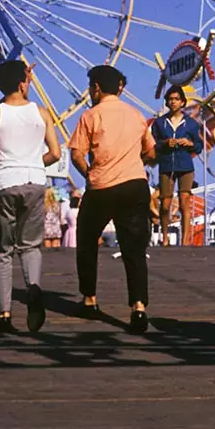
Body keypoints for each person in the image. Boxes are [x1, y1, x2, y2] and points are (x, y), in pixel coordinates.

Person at [0, 59, 64, 332]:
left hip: (6, 182)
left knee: (3, 249)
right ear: (22, 82)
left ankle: (4, 313)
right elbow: (56, 153)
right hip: (35, 181)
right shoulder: (41, 112)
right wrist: (36, 163)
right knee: (30, 245)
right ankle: (34, 287)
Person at [69, 65, 156, 332]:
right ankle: (138, 307)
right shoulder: (136, 114)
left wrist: (90, 174)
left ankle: (89, 299)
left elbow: (76, 155)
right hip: (134, 184)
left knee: (86, 240)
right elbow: (151, 153)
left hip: (102, 186)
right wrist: (132, 161)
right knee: (134, 250)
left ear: (96, 87)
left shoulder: (90, 116)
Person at [151, 85, 205, 246]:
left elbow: (198, 146)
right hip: (166, 165)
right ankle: (165, 236)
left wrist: (189, 143)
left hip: (185, 165)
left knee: (184, 201)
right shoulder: (160, 123)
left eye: (176, 99)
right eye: (171, 99)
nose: (173, 102)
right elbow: (154, 145)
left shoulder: (191, 124)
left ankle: (185, 240)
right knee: (166, 204)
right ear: (167, 102)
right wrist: (166, 143)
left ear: (182, 102)